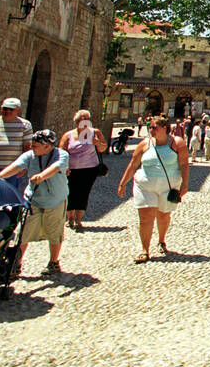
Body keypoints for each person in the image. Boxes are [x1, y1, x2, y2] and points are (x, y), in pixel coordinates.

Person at [116, 115, 189, 263]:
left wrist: (185, 184)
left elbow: (184, 164)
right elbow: (133, 164)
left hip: (167, 187)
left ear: (164, 128)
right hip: (145, 186)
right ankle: (145, 250)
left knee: (163, 215)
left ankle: (161, 240)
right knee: (145, 217)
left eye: (154, 127)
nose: (151, 130)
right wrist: (123, 183)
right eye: (150, 127)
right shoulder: (144, 144)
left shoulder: (177, 143)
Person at [0, 129, 70, 277]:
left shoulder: (61, 155)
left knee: (54, 232)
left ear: (47, 146)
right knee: (23, 233)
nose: (32, 147)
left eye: (36, 145)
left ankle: (53, 262)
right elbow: (16, 166)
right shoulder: (30, 156)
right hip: (33, 199)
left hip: (55, 200)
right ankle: (16, 264)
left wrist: (42, 176)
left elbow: (55, 167)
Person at [60, 109, 107, 232]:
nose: (85, 122)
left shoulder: (95, 133)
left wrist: (97, 144)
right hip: (71, 169)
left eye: (87, 119)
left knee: (83, 193)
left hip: (89, 169)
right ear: (76, 122)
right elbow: (62, 152)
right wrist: (64, 166)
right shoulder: (68, 135)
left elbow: (103, 148)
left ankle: (78, 219)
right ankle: (69, 218)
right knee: (69, 193)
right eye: (82, 119)